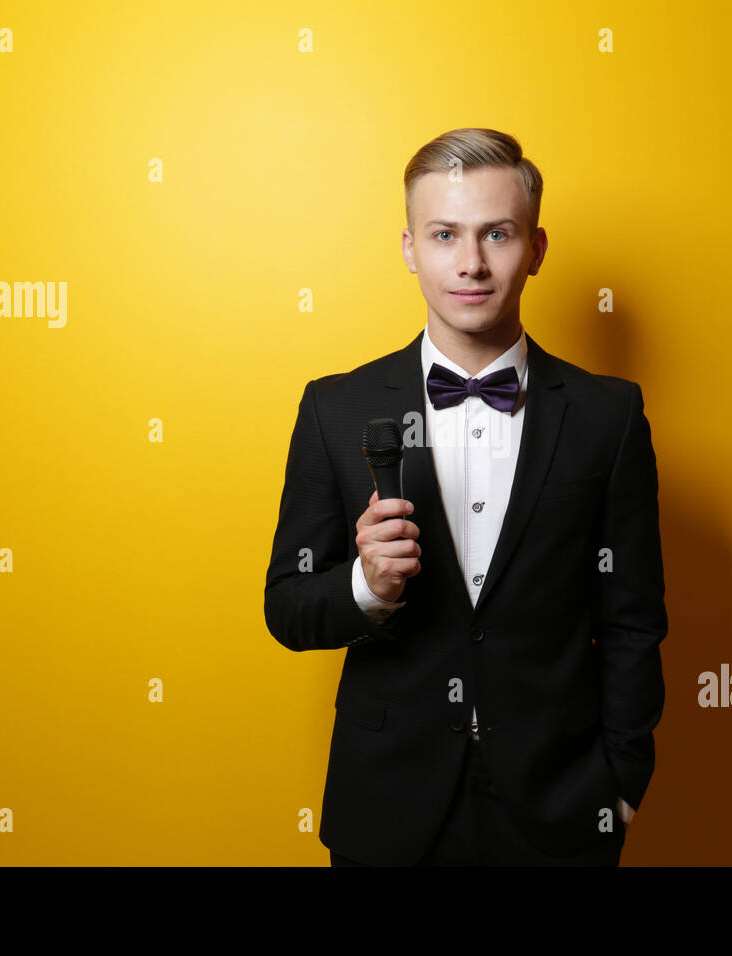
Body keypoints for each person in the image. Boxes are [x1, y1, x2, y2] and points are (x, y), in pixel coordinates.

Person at [263, 128, 666, 866]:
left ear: (536, 248)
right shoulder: (335, 407)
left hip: (562, 811)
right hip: (386, 809)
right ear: (411, 247)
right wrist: (367, 586)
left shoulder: (610, 416)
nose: (471, 263)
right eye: (445, 234)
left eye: (497, 234)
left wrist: (622, 783)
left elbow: (634, 621)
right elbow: (287, 608)